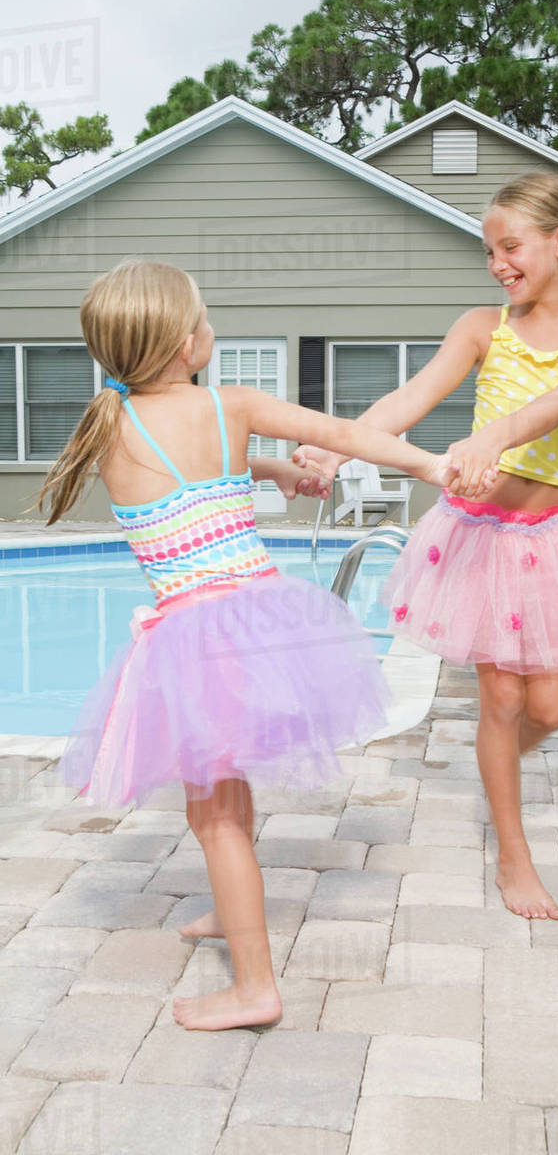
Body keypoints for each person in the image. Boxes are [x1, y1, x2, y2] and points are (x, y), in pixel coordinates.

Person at [40, 259, 483, 1031]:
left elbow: (179, 474)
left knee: (211, 813)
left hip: (191, 638)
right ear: (188, 342)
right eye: (206, 317)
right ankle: (235, 921)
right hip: (259, 623)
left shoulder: (104, 426)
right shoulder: (229, 407)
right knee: (221, 799)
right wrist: (430, 464)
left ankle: (253, 986)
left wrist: (270, 469)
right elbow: (342, 436)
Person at [291, 172, 558, 922]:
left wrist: (493, 433)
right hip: (478, 535)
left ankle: (497, 771)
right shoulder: (483, 326)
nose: (497, 264)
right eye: (489, 251)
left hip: (552, 541)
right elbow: (407, 401)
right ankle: (513, 855)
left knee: (547, 711)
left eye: (508, 247)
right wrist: (340, 450)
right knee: (503, 699)